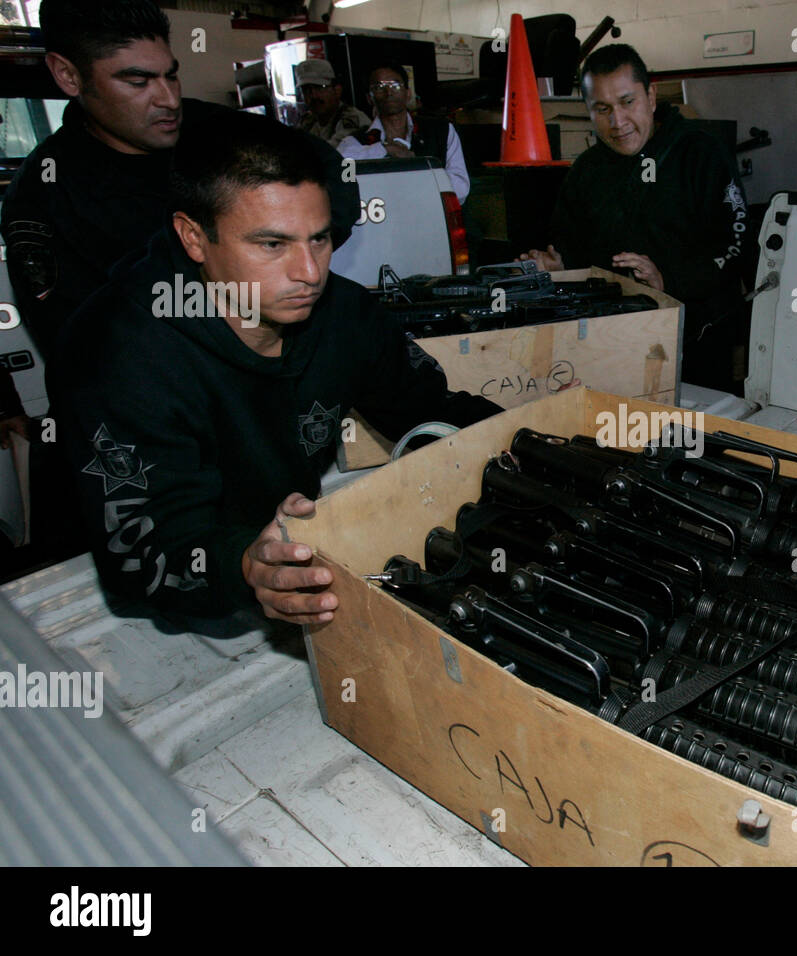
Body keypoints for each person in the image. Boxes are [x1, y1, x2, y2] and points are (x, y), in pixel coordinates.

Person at [50, 112, 500, 622]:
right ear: (194, 238)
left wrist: (539, 433)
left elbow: (429, 410)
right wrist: (247, 564)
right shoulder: (115, 353)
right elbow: (147, 549)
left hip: (305, 561)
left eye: (320, 239)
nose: (309, 273)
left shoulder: (344, 314)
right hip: (185, 610)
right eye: (272, 244)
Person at [0, 0, 359, 571]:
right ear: (69, 76)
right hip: (152, 450)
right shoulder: (44, 198)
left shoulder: (219, 129)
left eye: (170, 74)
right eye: (135, 81)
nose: (166, 99)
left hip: (265, 427)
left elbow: (332, 180)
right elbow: (89, 356)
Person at [520, 44, 750, 393]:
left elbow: (737, 246)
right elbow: (571, 245)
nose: (618, 122)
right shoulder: (587, 171)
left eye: (628, 102)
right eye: (602, 109)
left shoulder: (701, 154)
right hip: (612, 349)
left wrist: (665, 277)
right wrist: (559, 266)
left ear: (651, 96)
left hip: (698, 346)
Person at [338, 63, 471, 204]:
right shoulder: (356, 141)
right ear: (369, 98)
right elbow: (340, 174)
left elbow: (461, 189)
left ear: (408, 93)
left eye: (395, 85)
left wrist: (418, 168)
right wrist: (384, 150)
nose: (388, 92)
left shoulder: (441, 130)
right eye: (379, 87)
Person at [294, 58, 370, 149]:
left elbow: (330, 154)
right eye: (306, 90)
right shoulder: (308, 122)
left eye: (320, 88)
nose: (313, 96)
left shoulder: (352, 119)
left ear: (337, 90)